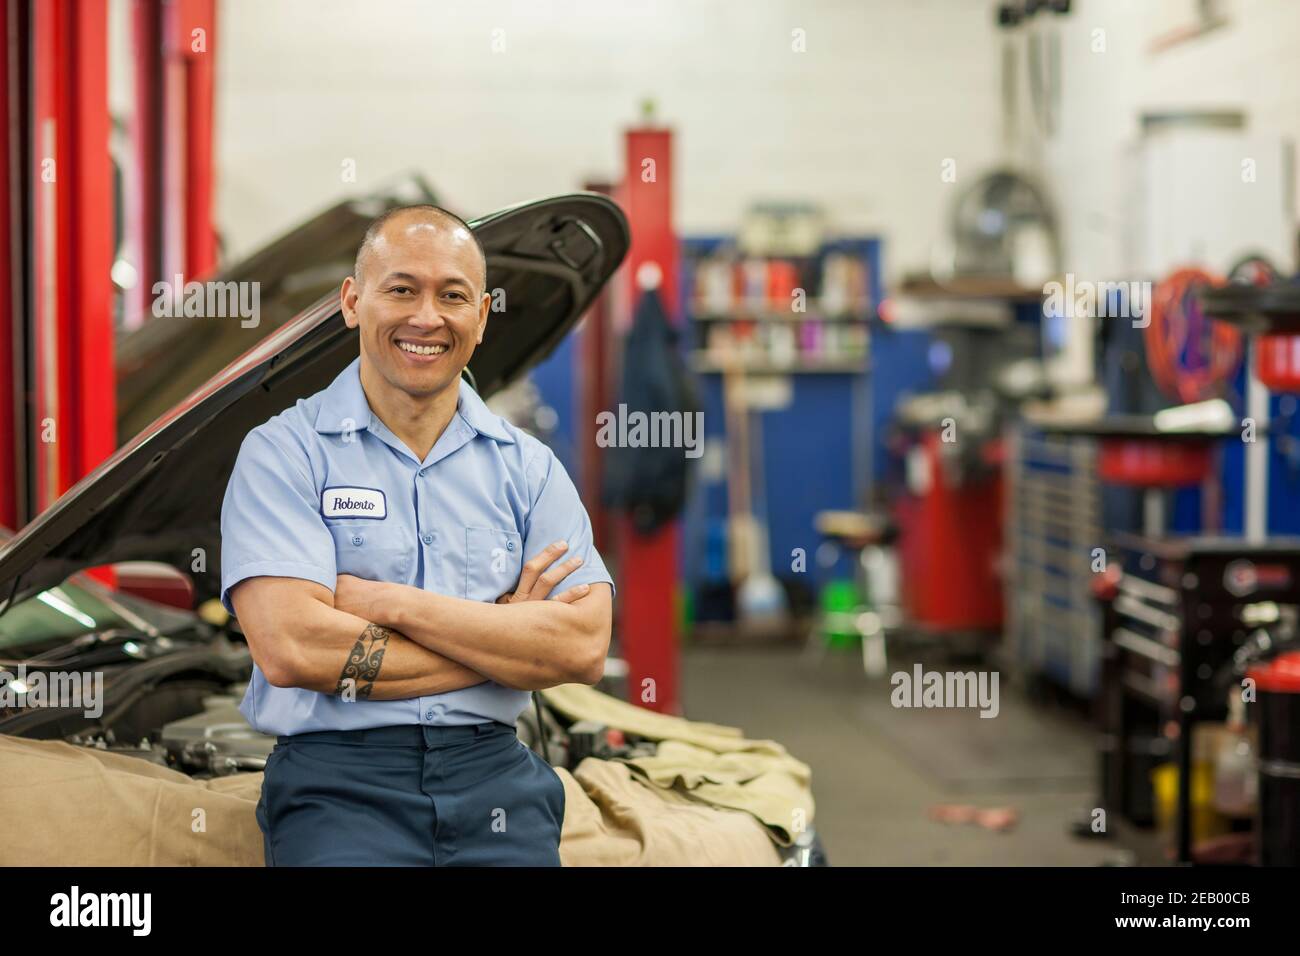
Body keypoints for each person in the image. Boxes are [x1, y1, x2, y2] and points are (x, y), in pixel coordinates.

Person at [220, 204, 614, 866]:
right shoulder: (284, 454)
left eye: (452, 295)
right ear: (353, 302)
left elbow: (580, 647)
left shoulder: (529, 468)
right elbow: (293, 649)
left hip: (496, 779)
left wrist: (390, 604)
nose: (427, 317)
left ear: (482, 316)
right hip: (338, 788)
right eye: (401, 289)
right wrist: (501, 642)